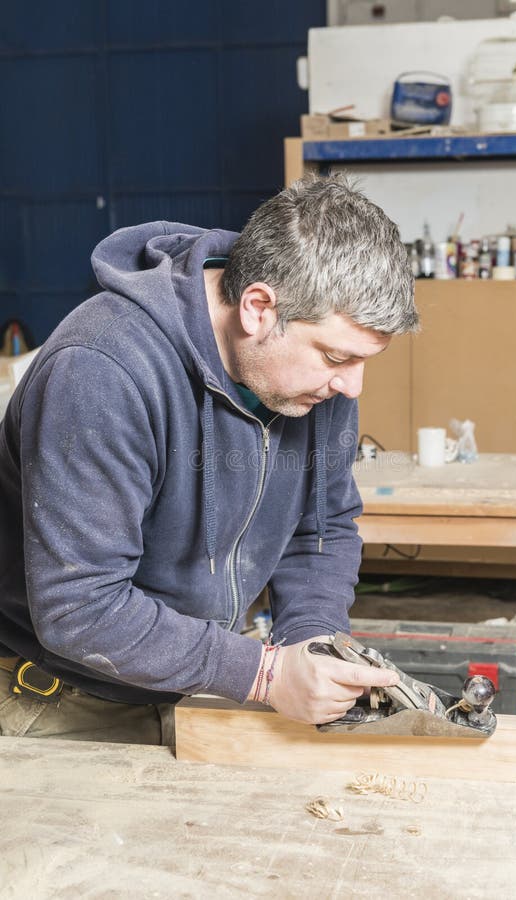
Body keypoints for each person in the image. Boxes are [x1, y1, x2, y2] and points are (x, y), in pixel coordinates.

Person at [0, 175, 418, 745]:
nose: (351, 385)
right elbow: (80, 606)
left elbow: (321, 528)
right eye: (336, 356)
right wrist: (265, 673)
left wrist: (312, 643)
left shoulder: (311, 380)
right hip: (58, 697)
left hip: (198, 681)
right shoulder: (101, 370)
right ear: (258, 308)